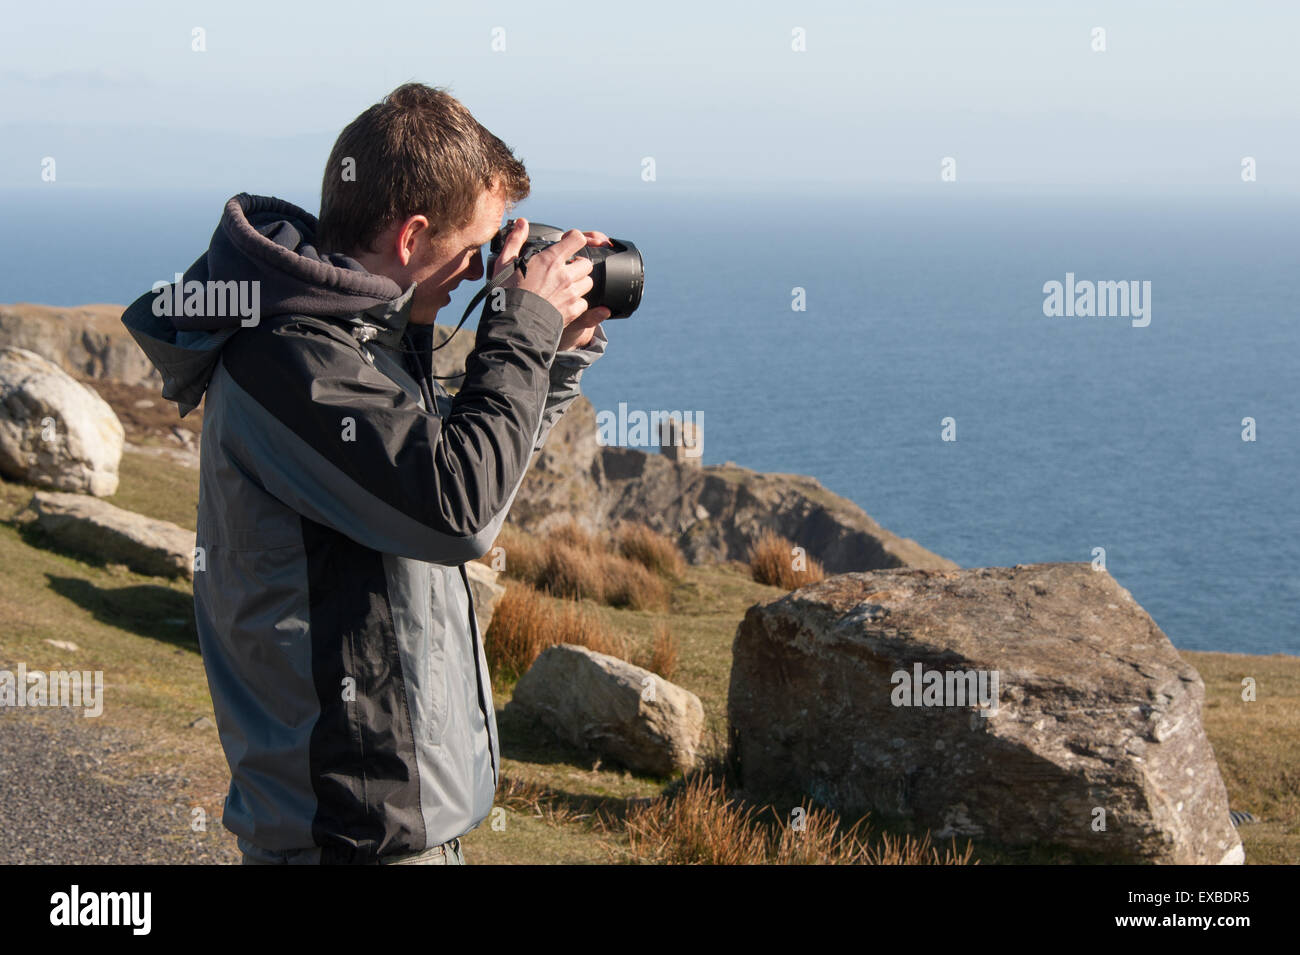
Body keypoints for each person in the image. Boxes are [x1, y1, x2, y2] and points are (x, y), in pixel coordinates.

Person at [121, 83, 612, 864]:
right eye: (476, 245)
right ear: (414, 235)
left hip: (389, 822)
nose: (484, 270)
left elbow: (470, 472)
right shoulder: (293, 361)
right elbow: (458, 510)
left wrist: (553, 359)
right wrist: (522, 326)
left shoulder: (358, 343)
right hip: (348, 831)